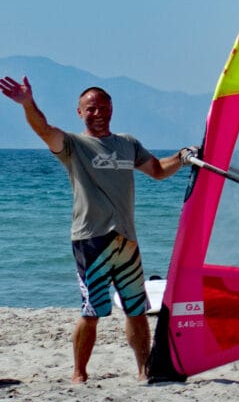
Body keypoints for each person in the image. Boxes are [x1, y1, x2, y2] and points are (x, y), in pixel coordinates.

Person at [2, 76, 187, 383]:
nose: (98, 113)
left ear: (111, 109)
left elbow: (157, 171)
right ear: (80, 112)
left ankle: (144, 370)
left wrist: (182, 157)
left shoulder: (127, 144)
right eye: (91, 109)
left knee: (136, 309)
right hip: (90, 239)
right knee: (92, 310)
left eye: (103, 108)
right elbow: (44, 130)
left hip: (126, 238)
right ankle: (79, 373)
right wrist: (27, 103)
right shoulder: (74, 146)